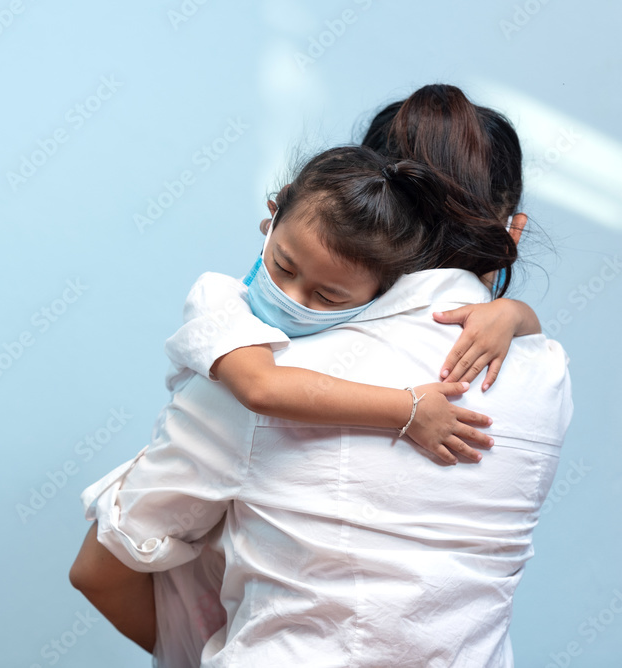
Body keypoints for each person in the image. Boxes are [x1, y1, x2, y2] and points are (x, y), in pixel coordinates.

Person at [70, 144, 573, 665]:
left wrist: (513, 314)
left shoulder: (266, 374)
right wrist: (409, 407)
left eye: (329, 297)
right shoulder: (547, 371)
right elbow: (262, 388)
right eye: (285, 267)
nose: (294, 298)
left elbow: (98, 572)